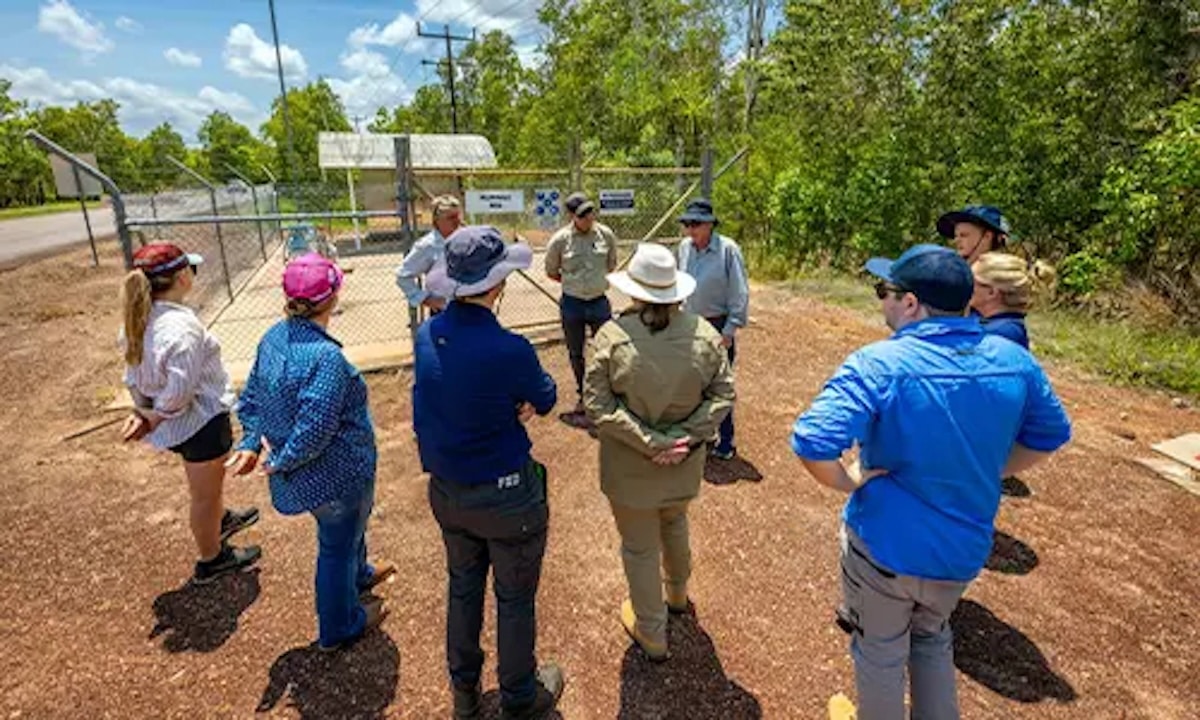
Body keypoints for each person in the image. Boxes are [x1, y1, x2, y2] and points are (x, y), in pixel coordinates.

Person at [790, 244, 1072, 720]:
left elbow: (812, 441)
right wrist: (989, 467)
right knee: (932, 637)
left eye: (884, 290)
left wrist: (848, 481)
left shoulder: (879, 363)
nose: (881, 299)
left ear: (910, 303)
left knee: (879, 653)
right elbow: (1051, 435)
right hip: (961, 552)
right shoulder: (1013, 359)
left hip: (885, 546)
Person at [415, 226, 565, 720]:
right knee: (514, 597)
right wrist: (518, 399)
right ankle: (519, 696)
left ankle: (465, 694)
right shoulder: (510, 349)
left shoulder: (426, 335)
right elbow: (545, 396)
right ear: (497, 284)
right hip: (506, 496)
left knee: (463, 586)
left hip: (448, 489)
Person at [227, 253, 392, 651]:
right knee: (336, 546)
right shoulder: (326, 358)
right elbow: (314, 430)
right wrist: (278, 461)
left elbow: (252, 399)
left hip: (313, 474)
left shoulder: (272, 338)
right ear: (333, 298)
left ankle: (360, 575)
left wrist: (251, 442)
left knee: (349, 532)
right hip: (337, 474)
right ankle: (340, 626)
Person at [584, 243, 735, 661]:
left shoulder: (612, 337)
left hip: (630, 467)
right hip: (683, 464)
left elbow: (598, 406)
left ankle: (652, 632)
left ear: (634, 289)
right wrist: (683, 437)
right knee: (674, 520)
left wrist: (651, 441)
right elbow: (723, 395)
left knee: (639, 547)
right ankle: (678, 594)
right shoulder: (705, 335)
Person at [118, 243, 261, 584]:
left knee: (207, 487)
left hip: (173, 427)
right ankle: (211, 559)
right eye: (191, 269)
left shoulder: (136, 321)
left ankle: (220, 520)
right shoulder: (182, 329)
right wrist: (154, 415)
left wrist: (143, 410)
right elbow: (180, 392)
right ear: (182, 276)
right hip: (201, 424)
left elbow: (133, 375)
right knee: (204, 496)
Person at [676, 198, 749, 460]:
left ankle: (726, 441)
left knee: (718, 386)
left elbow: (739, 292)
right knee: (692, 384)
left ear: (710, 225)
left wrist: (729, 330)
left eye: (696, 223)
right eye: (687, 223)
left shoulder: (728, 250)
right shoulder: (684, 248)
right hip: (689, 324)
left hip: (717, 325)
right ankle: (701, 434)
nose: (690, 229)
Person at [544, 192, 619, 425]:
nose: (588, 218)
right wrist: (573, 283)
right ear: (571, 216)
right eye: (582, 215)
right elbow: (551, 271)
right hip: (572, 304)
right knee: (576, 352)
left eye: (590, 212)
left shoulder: (606, 235)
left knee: (607, 349)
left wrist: (594, 282)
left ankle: (607, 392)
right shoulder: (560, 240)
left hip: (599, 302)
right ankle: (583, 393)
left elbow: (611, 264)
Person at [396, 195, 464, 316]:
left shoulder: (466, 239)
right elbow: (403, 275)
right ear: (437, 220)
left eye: (458, 216)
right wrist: (426, 299)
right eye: (451, 218)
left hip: (470, 308)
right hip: (445, 312)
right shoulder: (428, 246)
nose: (457, 221)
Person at [971, 251, 1036, 350]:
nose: (964, 285)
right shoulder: (1000, 325)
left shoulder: (1002, 334)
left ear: (991, 292)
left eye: (971, 282)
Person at [936, 205, 1011, 265]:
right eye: (955, 236)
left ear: (987, 236)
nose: (956, 241)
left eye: (964, 235)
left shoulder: (1003, 275)